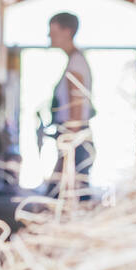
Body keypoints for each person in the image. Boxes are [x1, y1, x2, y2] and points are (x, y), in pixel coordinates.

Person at [46, 12, 95, 196]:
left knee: (62, 195)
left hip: (74, 138)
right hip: (75, 137)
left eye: (53, 30)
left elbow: (76, 108)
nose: (49, 35)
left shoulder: (76, 64)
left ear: (68, 31)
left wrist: (68, 150)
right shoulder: (75, 61)